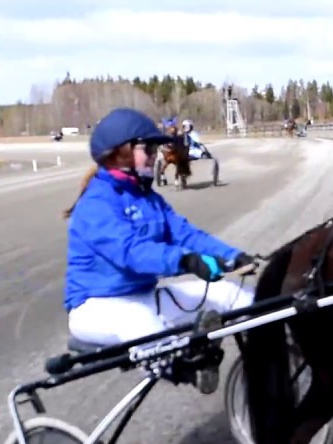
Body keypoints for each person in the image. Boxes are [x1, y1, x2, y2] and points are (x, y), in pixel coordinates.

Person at [61, 106, 255, 395]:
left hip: (144, 299)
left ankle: (272, 359)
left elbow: (187, 234)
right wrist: (187, 261)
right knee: (143, 325)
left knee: (236, 296)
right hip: (96, 308)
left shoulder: (148, 198)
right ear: (119, 152)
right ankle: (188, 368)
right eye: (147, 148)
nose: (155, 155)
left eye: (155, 148)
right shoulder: (96, 203)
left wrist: (233, 256)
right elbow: (131, 252)